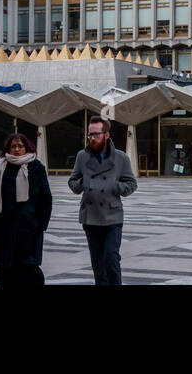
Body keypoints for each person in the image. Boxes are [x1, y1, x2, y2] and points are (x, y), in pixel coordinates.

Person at [68, 114, 137, 284]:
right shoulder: (82, 156)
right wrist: (83, 183)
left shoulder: (120, 158)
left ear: (106, 135)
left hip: (112, 216)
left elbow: (131, 183)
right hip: (90, 216)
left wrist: (116, 187)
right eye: (90, 134)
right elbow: (72, 181)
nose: (92, 138)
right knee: (97, 263)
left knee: (111, 259)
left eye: (96, 134)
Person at [0, 133, 52, 285]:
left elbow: (46, 199)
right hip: (3, 230)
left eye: (20, 146)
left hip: (29, 230)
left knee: (30, 270)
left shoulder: (36, 168)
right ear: (8, 149)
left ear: (27, 148)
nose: (17, 149)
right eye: (13, 146)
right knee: (6, 270)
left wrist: (40, 225)